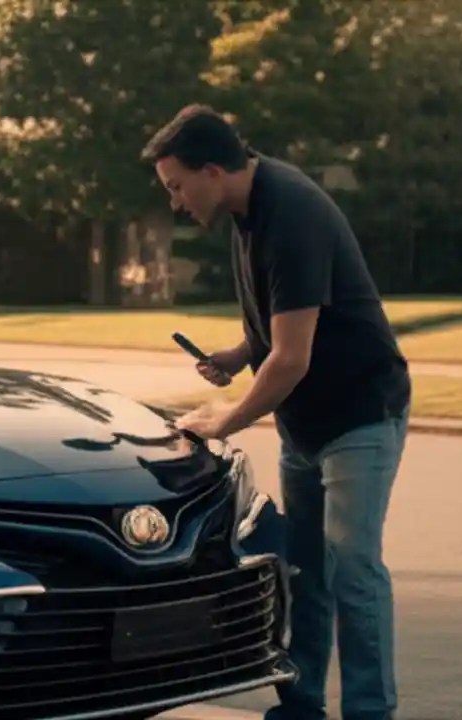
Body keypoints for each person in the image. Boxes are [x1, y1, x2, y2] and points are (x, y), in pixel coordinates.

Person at [140, 104, 411, 720]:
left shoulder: (292, 214)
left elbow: (291, 359)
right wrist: (238, 355)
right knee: (305, 571)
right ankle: (304, 704)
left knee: (353, 570)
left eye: (177, 186)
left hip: (360, 414)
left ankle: (370, 711)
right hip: (306, 422)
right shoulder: (246, 208)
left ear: (213, 170)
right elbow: (278, 321)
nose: (176, 202)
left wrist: (225, 418)